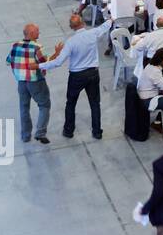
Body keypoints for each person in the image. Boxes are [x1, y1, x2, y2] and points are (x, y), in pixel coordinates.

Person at [40, 12, 113, 140]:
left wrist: (40, 66)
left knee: (71, 103)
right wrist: (111, 19)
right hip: (93, 73)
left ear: (72, 27)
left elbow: (58, 62)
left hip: (76, 76)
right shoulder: (93, 33)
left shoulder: (71, 42)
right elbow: (104, 27)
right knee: (95, 103)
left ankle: (68, 131)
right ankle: (97, 132)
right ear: (83, 23)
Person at [7, 23, 59, 144]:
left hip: (21, 83)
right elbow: (44, 64)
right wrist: (56, 54)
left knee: (24, 108)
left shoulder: (15, 46)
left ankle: (25, 135)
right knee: (44, 105)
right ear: (31, 34)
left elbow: (8, 61)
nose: (39, 33)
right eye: (37, 31)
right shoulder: (37, 47)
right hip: (36, 82)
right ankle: (40, 132)